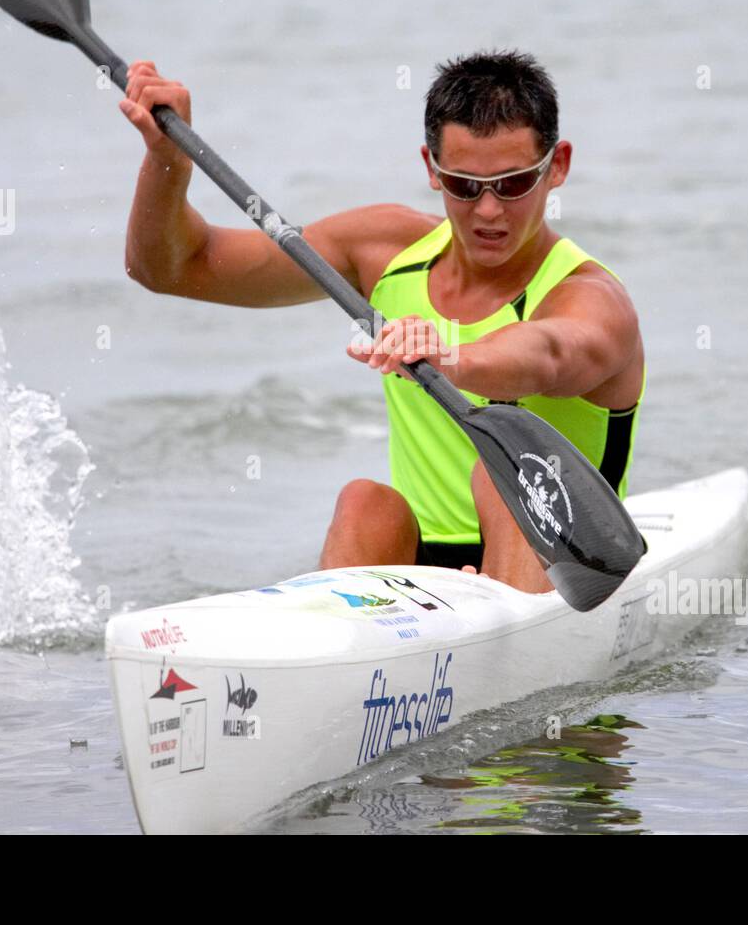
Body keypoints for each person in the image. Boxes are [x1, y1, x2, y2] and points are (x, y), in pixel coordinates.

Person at [120, 50, 644, 594]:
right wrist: (167, 161)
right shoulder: (382, 248)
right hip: (426, 579)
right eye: (464, 185)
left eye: (512, 184)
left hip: (561, 561)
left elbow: (548, 355)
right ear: (431, 169)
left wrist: (451, 356)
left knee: (499, 479)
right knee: (364, 502)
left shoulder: (592, 299)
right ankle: (330, 649)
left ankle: (499, 611)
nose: (489, 210)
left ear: (556, 166)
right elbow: (170, 268)